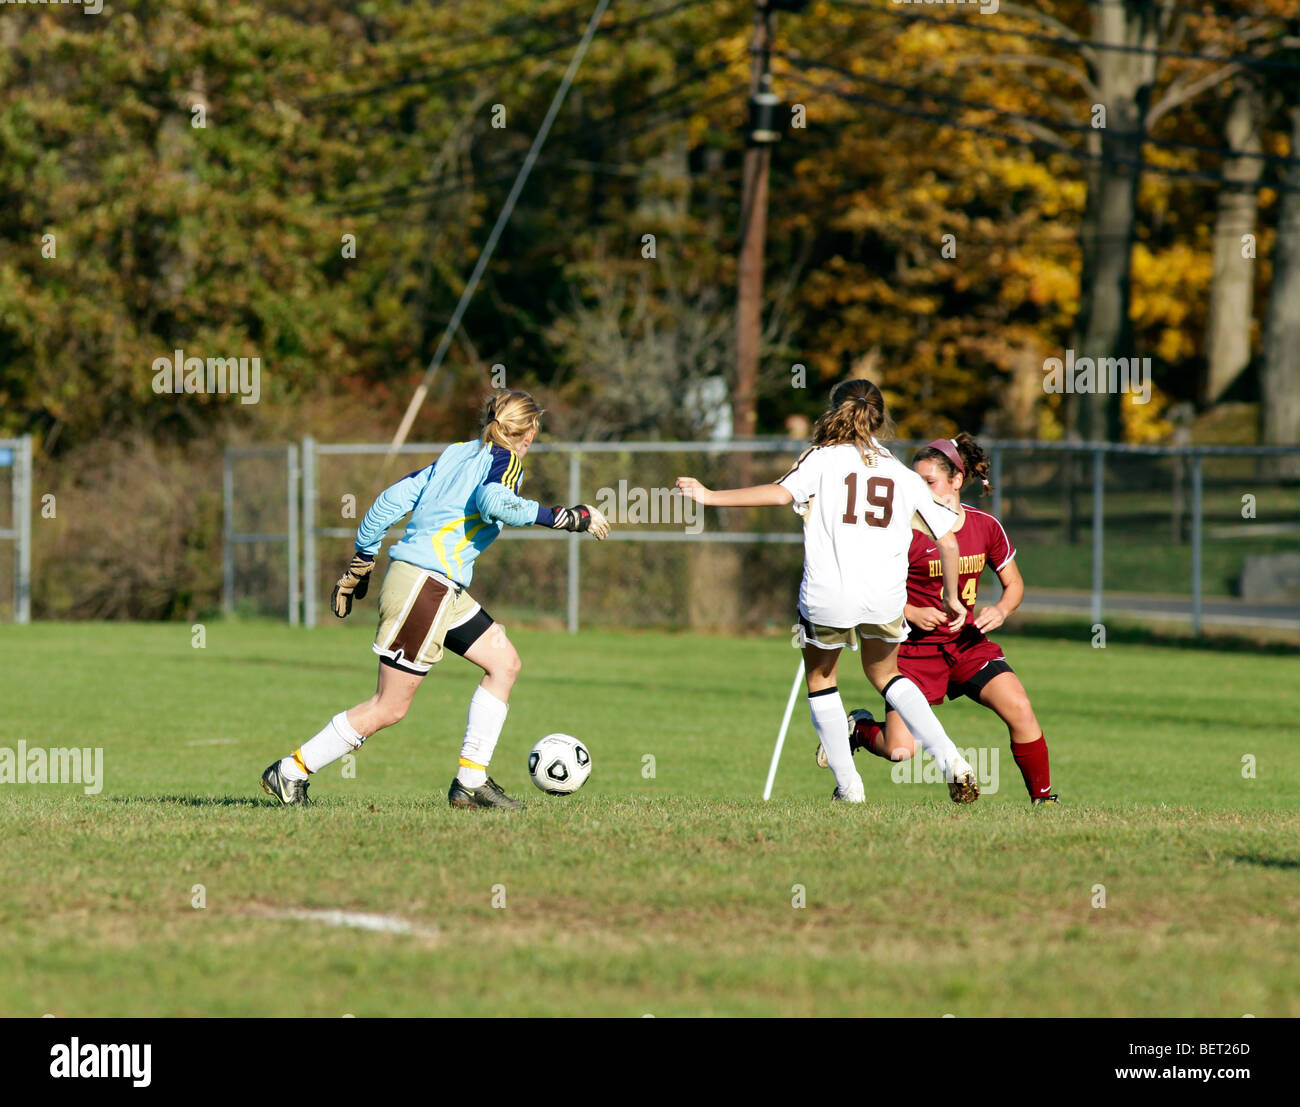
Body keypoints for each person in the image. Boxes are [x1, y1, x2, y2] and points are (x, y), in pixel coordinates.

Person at [260, 389, 610, 810]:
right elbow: (494, 502)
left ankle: (470, 783)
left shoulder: (457, 453)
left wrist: (361, 560)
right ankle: (291, 771)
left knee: (504, 664)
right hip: (425, 588)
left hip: (438, 588)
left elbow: (390, 501)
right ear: (528, 431)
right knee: (388, 707)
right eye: (534, 430)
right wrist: (569, 517)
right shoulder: (507, 460)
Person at [676, 378, 979, 804]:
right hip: (884, 596)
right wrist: (951, 596)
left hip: (829, 592)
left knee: (822, 679)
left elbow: (780, 494)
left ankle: (850, 786)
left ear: (834, 410)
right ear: (879, 418)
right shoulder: (900, 472)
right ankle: (951, 760)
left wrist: (709, 496)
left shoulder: (821, 458)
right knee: (886, 675)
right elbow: (948, 540)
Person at [831, 434, 1058, 805]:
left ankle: (1044, 801)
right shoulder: (900, 530)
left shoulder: (985, 526)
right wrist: (910, 611)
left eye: (929, 482)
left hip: (966, 644)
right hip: (912, 652)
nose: (919, 490)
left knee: (1020, 708)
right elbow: (863, 589)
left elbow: (1014, 583)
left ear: (956, 480)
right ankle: (858, 730)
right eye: (914, 482)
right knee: (900, 751)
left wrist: (1001, 609)